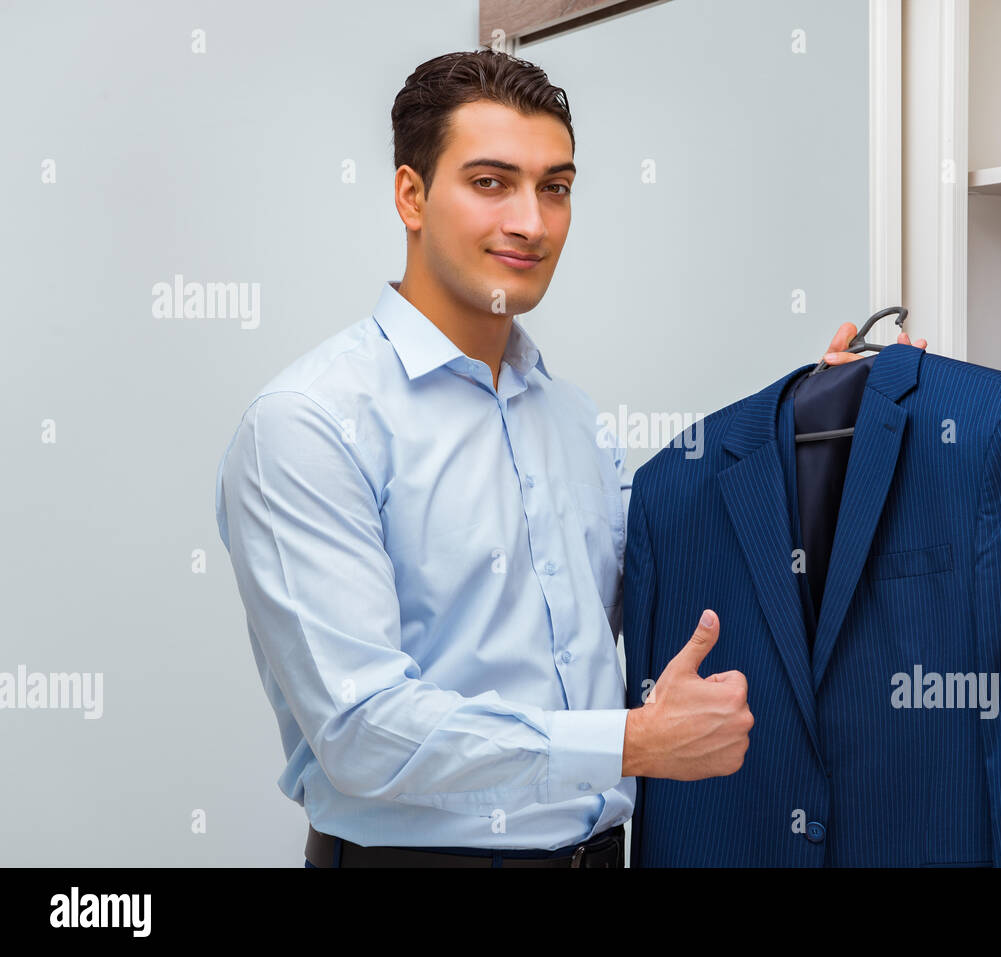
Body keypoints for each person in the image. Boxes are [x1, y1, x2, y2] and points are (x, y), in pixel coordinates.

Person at [214, 49, 926, 869]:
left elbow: (678, 580)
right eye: (491, 182)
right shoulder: (308, 423)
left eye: (554, 187)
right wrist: (630, 741)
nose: (531, 222)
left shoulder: (573, 419)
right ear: (410, 195)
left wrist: (817, 415)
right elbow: (360, 729)